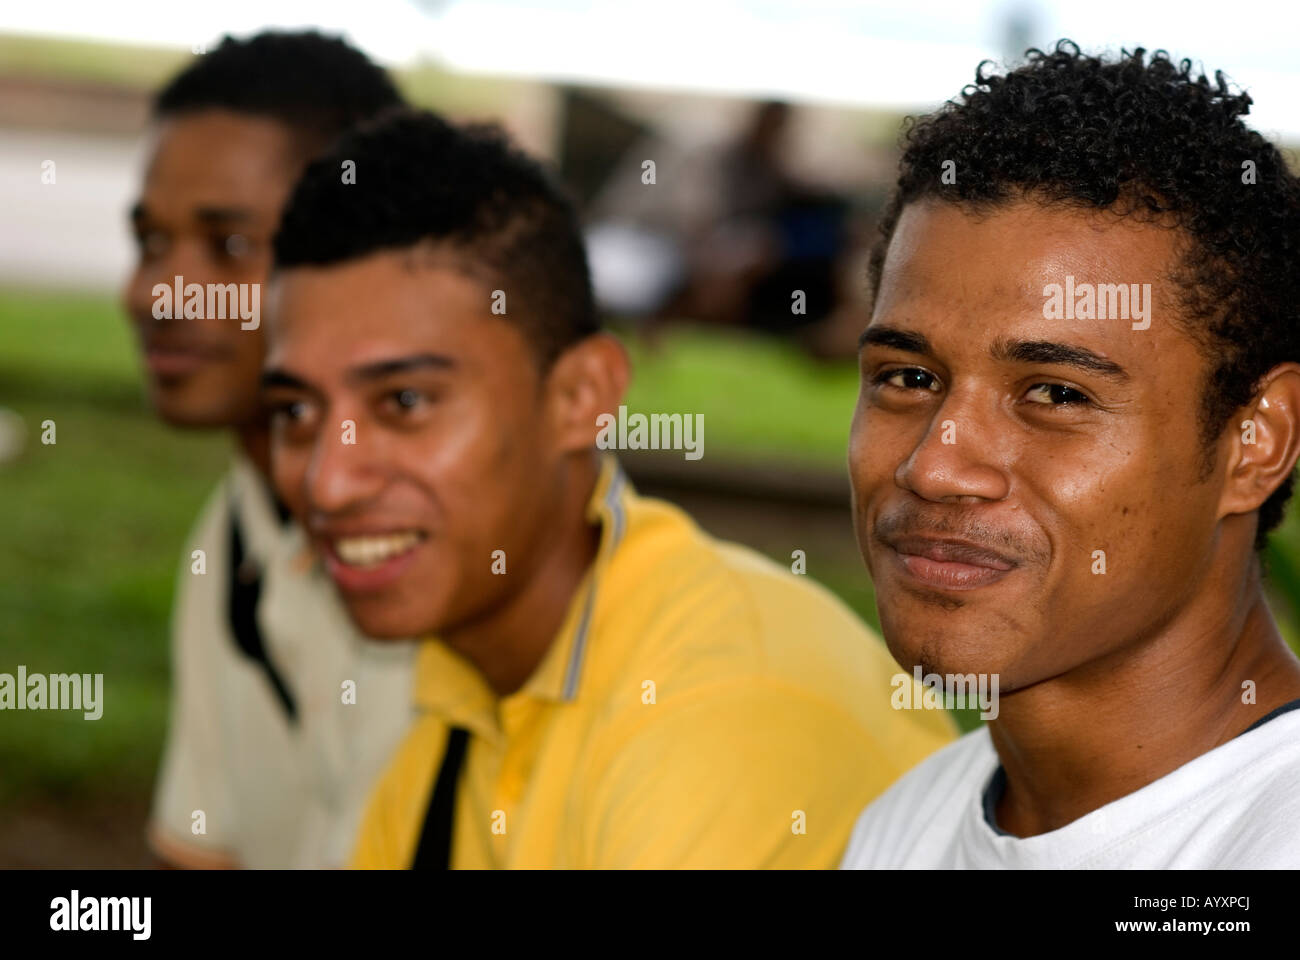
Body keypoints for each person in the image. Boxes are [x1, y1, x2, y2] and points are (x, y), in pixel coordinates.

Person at [262, 108, 956, 868]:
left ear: (579, 396)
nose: (329, 480)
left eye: (405, 402)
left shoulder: (718, 712)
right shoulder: (457, 712)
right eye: (296, 411)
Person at [841, 41, 1300, 868]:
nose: (935, 466)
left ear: (1255, 441)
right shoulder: (905, 830)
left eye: (1056, 394)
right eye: (909, 377)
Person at [122, 31, 414, 868]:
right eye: (150, 243)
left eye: (231, 247)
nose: (156, 294)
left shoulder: (455, 563)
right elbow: (195, 850)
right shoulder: (232, 539)